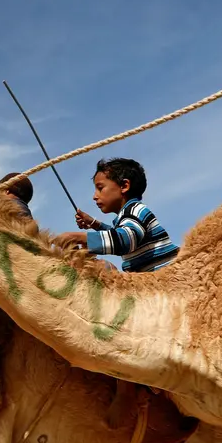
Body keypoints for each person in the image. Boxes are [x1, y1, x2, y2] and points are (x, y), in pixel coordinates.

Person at [51, 159, 180, 428]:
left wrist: (80, 237)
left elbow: (125, 240)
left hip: (166, 287)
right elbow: (118, 233)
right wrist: (95, 224)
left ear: (123, 186)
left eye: (100, 187)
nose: (95, 196)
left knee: (117, 328)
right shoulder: (127, 215)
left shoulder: (137, 210)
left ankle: (128, 392)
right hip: (152, 286)